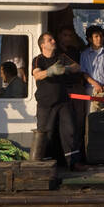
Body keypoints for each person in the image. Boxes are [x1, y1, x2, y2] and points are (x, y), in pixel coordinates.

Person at [31, 32, 87, 171]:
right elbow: (37, 75)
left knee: (70, 130)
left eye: (53, 38)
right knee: (45, 133)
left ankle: (73, 162)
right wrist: (50, 71)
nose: (54, 40)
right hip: (45, 103)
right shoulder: (39, 60)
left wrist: (66, 68)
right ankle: (44, 162)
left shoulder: (61, 57)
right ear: (42, 45)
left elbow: (77, 67)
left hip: (63, 101)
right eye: (50, 40)